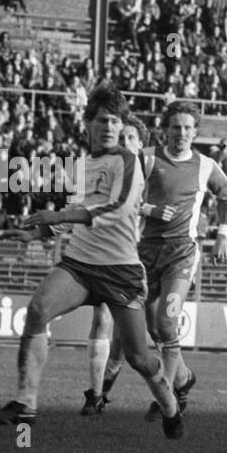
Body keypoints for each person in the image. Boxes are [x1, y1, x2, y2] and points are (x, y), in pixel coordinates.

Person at [0, 83, 184, 438]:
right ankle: (25, 403)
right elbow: (74, 212)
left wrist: (56, 217)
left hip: (120, 270)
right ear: (88, 123)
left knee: (140, 358)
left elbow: (116, 208)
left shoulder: (127, 160)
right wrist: (37, 233)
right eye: (103, 121)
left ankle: (170, 406)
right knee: (37, 310)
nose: (110, 127)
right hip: (79, 263)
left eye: (115, 121)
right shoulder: (80, 165)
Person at [112, 100, 227, 421]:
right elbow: (121, 196)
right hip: (145, 252)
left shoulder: (206, 165)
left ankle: (166, 397)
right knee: (152, 328)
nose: (181, 133)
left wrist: (222, 234)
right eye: (175, 127)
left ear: (195, 132)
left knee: (166, 321)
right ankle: (183, 379)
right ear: (164, 130)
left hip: (182, 253)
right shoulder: (148, 158)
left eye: (187, 128)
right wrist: (151, 209)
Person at [80, 114, 148, 415]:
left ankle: (171, 395)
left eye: (130, 138)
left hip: (149, 260)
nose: (123, 142)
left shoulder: (151, 172)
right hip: (114, 258)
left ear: (141, 144)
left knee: (134, 339)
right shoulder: (106, 171)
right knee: (103, 319)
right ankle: (95, 394)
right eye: (121, 138)